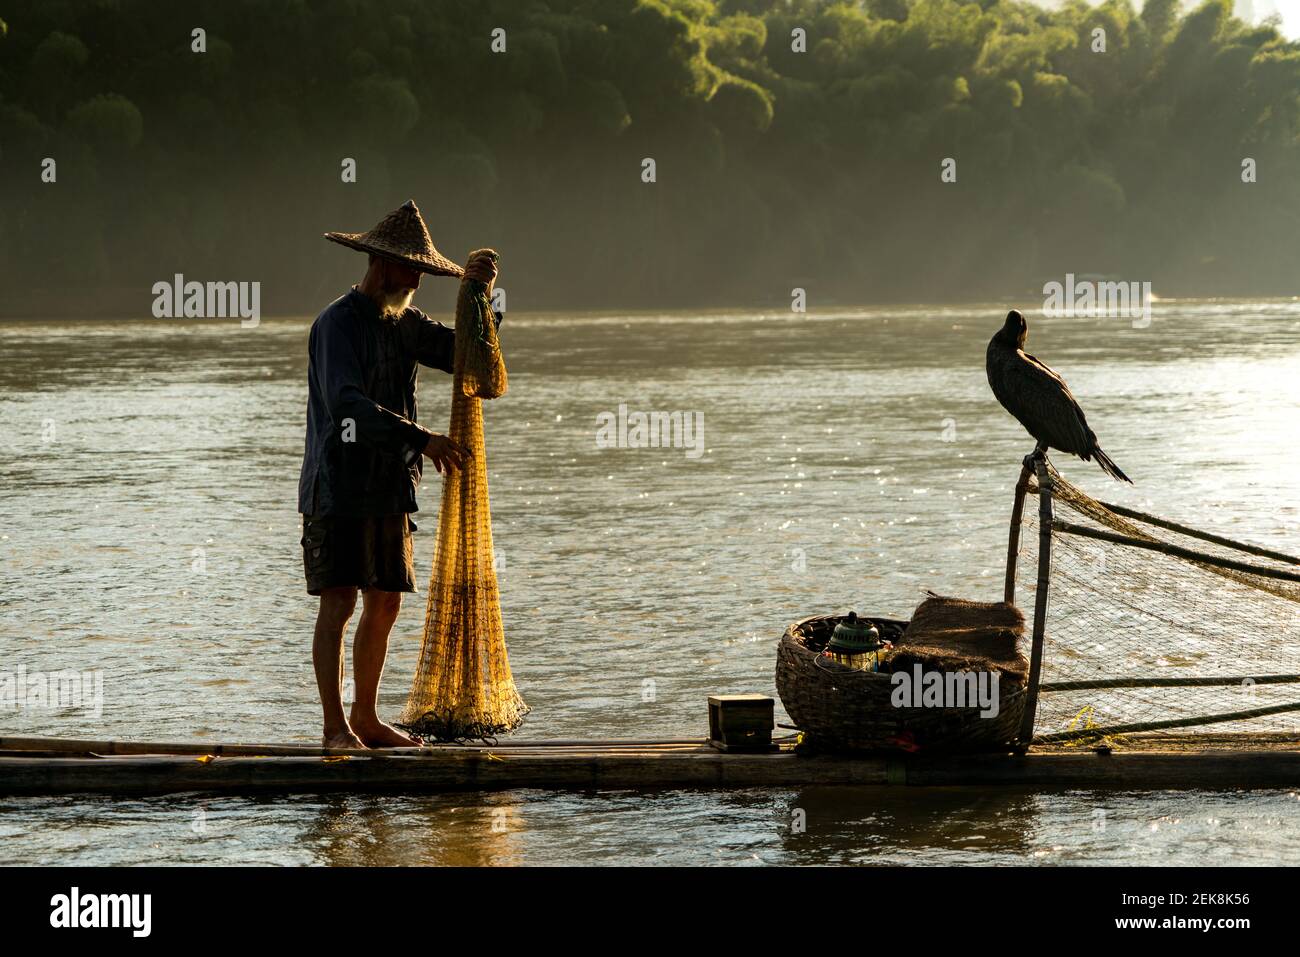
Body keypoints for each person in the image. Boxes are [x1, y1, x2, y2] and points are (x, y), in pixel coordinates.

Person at [299, 200, 499, 748]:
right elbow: (346, 406)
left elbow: (468, 354)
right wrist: (422, 439)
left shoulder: (405, 323)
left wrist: (479, 298)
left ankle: (366, 716)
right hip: (337, 484)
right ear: (381, 264)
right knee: (339, 600)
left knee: (385, 598)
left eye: (424, 272)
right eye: (412, 269)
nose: (417, 280)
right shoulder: (336, 325)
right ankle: (334, 727)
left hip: (390, 486)